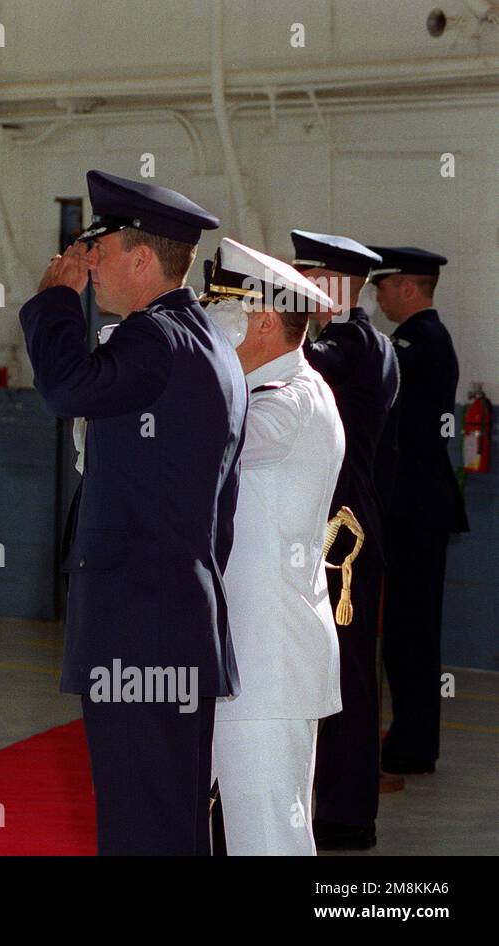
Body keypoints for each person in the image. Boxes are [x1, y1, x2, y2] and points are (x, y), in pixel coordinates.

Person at [20, 170, 244, 856]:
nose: (89, 264)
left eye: (100, 250)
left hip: (140, 627)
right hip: (171, 618)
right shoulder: (203, 341)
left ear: (143, 258)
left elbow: (64, 389)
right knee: (164, 815)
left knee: (142, 820)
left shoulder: (154, 340)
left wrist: (56, 302)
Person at [201, 237, 344, 855]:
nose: (209, 324)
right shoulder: (262, 395)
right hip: (240, 658)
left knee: (269, 839)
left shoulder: (291, 403)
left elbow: (200, 445)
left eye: (220, 309)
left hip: (268, 666)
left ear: (262, 319)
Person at [289, 229, 398, 850]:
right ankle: (337, 800)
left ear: (330, 284)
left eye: (307, 278)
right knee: (340, 669)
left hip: (340, 534)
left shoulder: (347, 342)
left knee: (347, 672)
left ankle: (347, 811)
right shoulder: (371, 342)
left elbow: (284, 364)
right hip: (344, 523)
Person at [368, 245, 469, 775]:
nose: (379, 294)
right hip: (417, 505)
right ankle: (412, 738)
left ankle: (411, 743)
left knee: (410, 631)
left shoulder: (415, 342)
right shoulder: (427, 338)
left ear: (408, 286)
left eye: (383, 285)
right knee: (411, 630)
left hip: (413, 506)